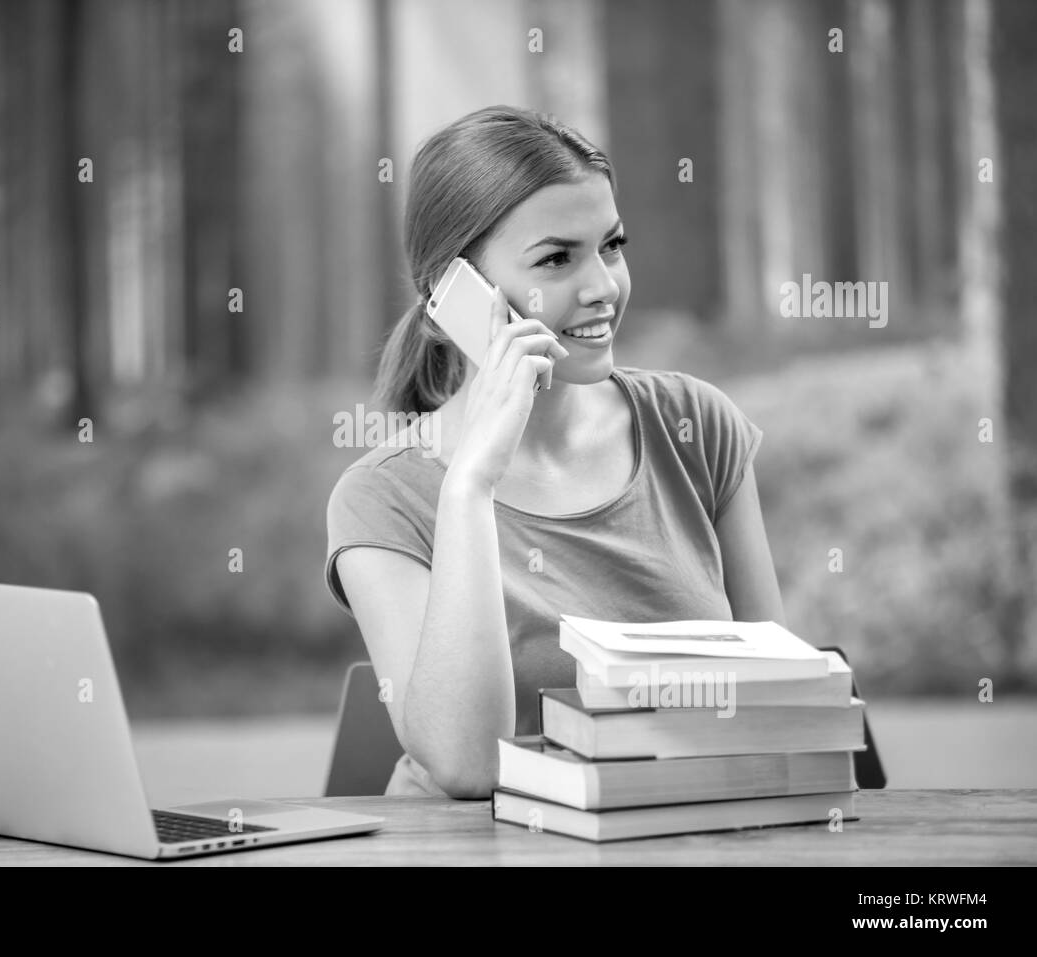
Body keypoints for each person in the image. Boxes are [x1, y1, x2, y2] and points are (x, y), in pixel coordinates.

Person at [324, 105, 785, 799]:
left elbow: (779, 712)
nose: (603, 286)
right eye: (557, 258)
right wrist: (470, 485)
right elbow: (467, 765)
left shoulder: (695, 427)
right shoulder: (384, 497)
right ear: (452, 295)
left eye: (612, 245)